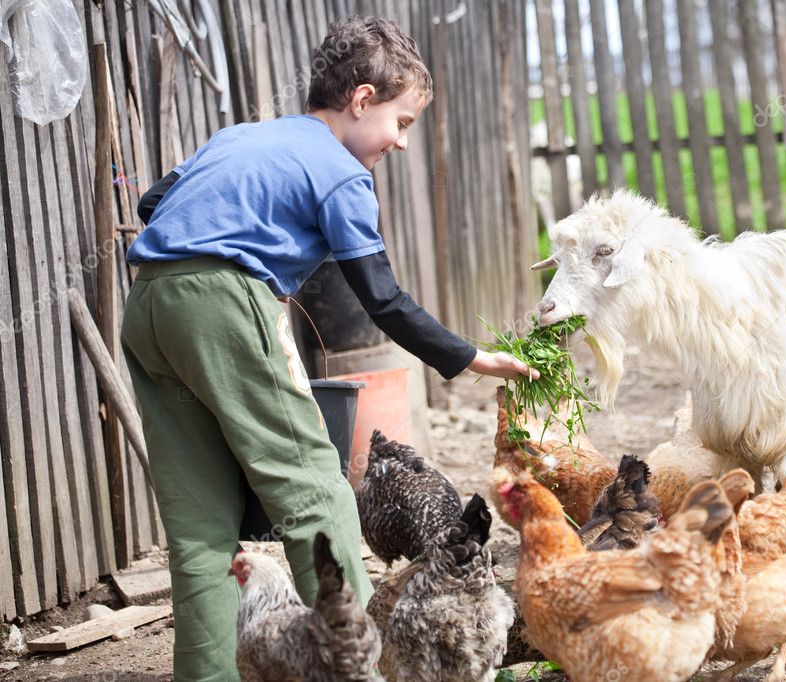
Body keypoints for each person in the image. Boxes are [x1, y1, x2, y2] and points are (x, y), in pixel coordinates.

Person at [120, 15, 535, 681]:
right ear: (361, 100)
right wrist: (471, 358)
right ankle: (365, 668)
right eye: (400, 123)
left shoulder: (239, 137)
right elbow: (382, 297)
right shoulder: (340, 172)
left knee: (200, 521)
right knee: (314, 488)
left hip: (147, 303)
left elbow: (152, 202)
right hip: (222, 304)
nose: (400, 144)